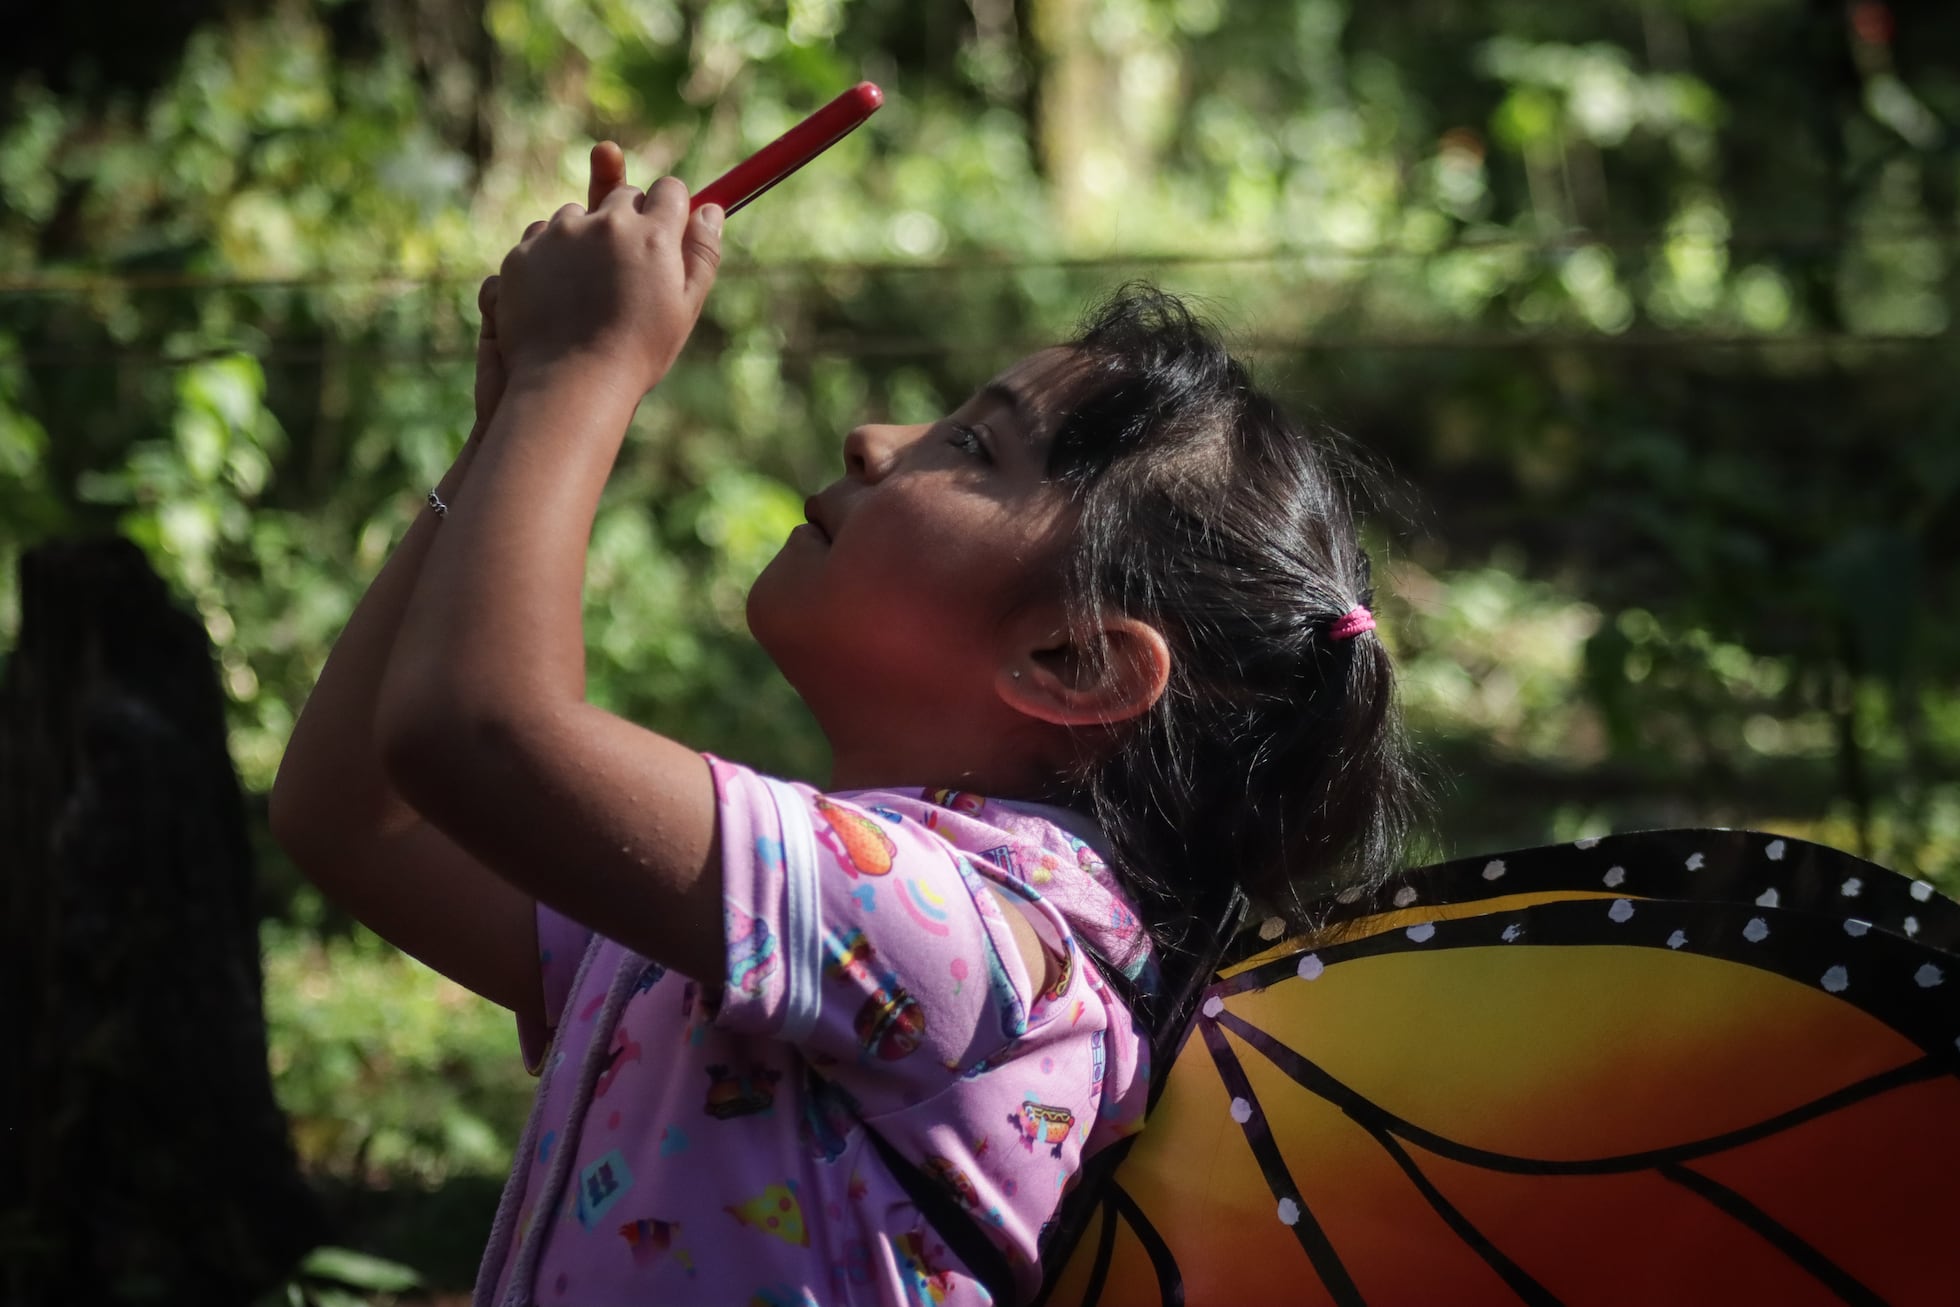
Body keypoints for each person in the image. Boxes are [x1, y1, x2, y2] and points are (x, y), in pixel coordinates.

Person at [269, 141, 1423, 1307]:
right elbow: (353, 814)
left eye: (972, 446)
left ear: (1074, 660)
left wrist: (582, 375)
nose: (872, 438)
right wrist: (503, 427)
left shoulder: (975, 944)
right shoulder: (781, 910)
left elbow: (474, 731)